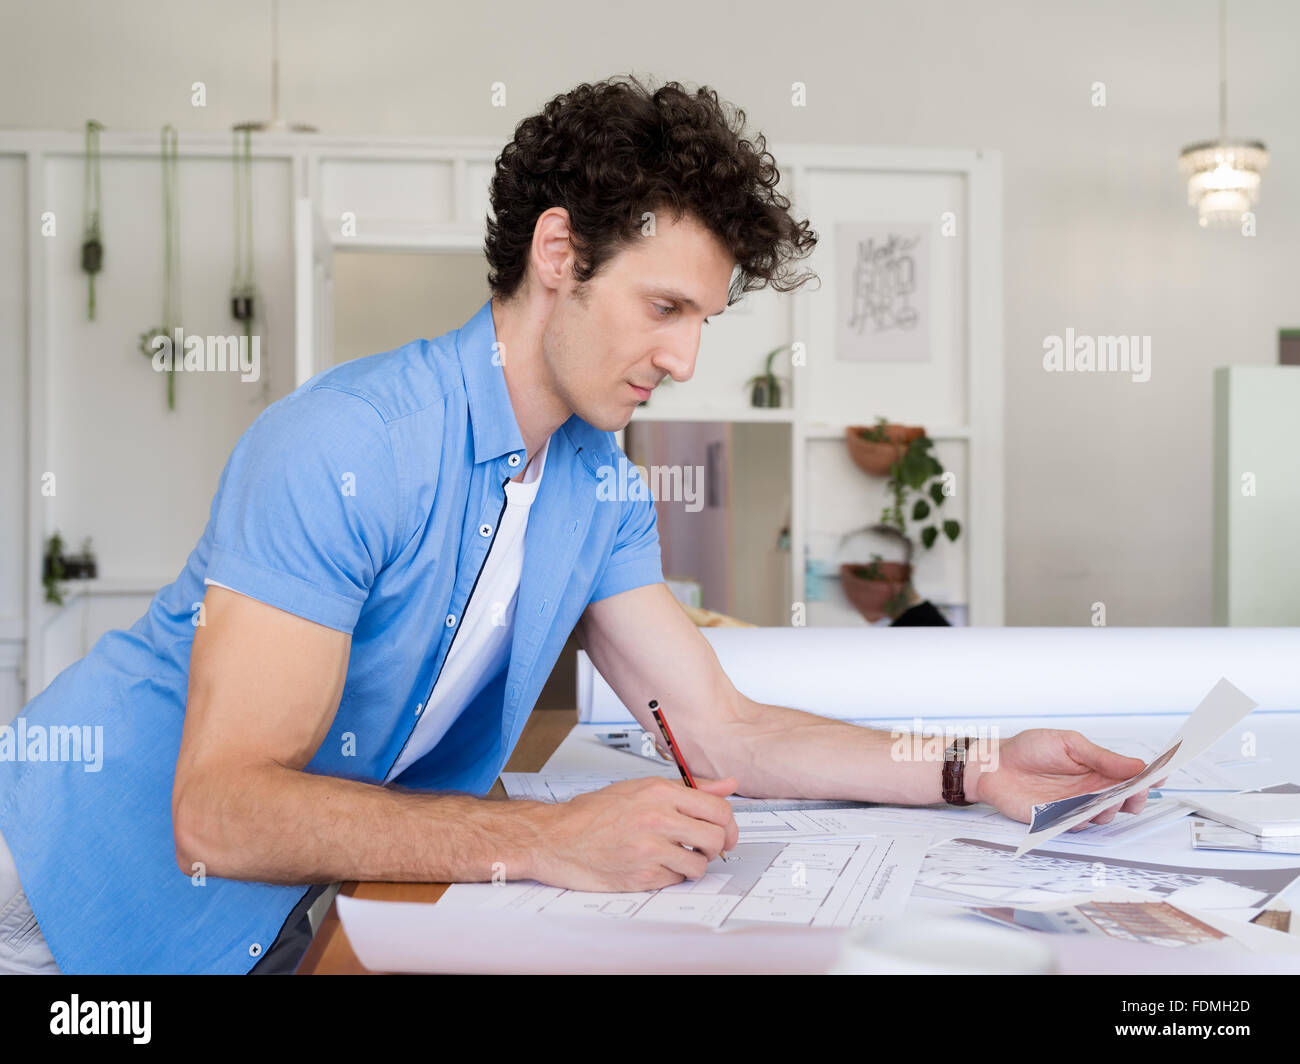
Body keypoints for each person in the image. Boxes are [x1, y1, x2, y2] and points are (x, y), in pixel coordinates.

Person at [0, 75, 1153, 975]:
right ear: (559, 254)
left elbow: (727, 727)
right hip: (55, 886)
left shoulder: (595, 481)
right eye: (663, 307)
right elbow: (222, 812)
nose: (684, 357)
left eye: (701, 318)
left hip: (257, 919)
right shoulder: (345, 443)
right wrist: (544, 841)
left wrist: (974, 762)